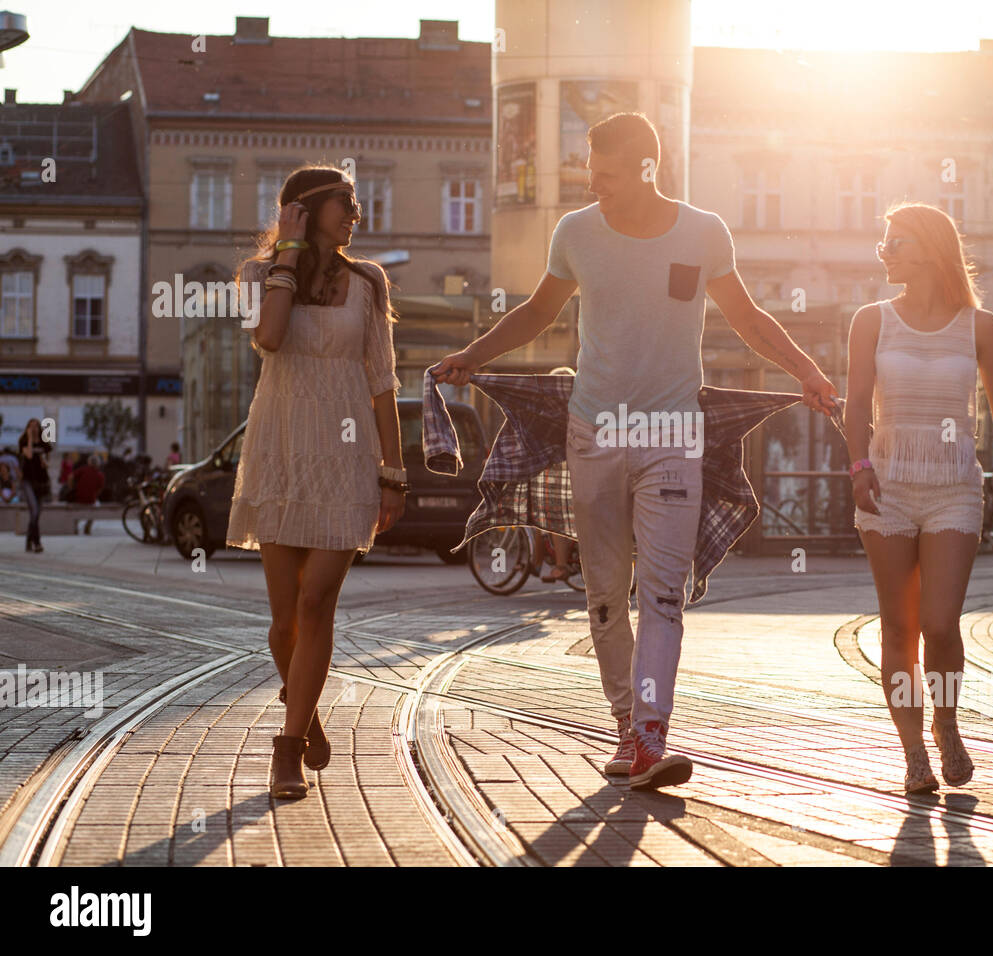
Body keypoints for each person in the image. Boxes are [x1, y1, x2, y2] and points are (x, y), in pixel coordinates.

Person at [432, 112, 838, 791]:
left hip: (672, 436)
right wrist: (472, 357)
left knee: (663, 592)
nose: (598, 187)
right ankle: (625, 725)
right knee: (602, 595)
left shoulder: (704, 232)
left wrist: (807, 371)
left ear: (648, 168)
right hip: (594, 432)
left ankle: (651, 734)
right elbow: (537, 312)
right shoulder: (577, 233)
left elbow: (747, 318)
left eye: (609, 175)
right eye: (591, 174)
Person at [230, 165, 405, 801]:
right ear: (303, 211)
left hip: (347, 457)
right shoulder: (256, 276)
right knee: (283, 623)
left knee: (315, 604)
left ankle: (286, 749)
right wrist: (287, 251)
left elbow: (383, 382)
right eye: (343, 203)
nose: (355, 213)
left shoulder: (369, 281)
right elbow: (270, 337)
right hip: (280, 449)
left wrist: (394, 472)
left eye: (356, 203)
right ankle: (307, 713)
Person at [847, 201, 993, 795]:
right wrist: (857, 467)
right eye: (884, 240)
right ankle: (912, 752)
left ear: (929, 248)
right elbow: (855, 405)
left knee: (941, 624)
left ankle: (947, 727)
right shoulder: (870, 320)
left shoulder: (979, 326)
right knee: (899, 628)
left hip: (955, 488)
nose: (886, 251)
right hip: (888, 489)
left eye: (897, 241)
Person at [541, 366, 578, 583]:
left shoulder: (553, 412)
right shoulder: (583, 407)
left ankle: (561, 565)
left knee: (555, 513)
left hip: (567, 476)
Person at [18, 418, 52, 554]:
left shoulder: (45, 443)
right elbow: (29, 455)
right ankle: (37, 542)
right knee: (34, 510)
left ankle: (28, 540)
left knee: (36, 514)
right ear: (27, 428)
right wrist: (30, 439)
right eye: (31, 427)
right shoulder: (23, 441)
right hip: (27, 480)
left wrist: (45, 462)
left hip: (41, 481)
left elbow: (48, 461)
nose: (34, 429)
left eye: (36, 426)